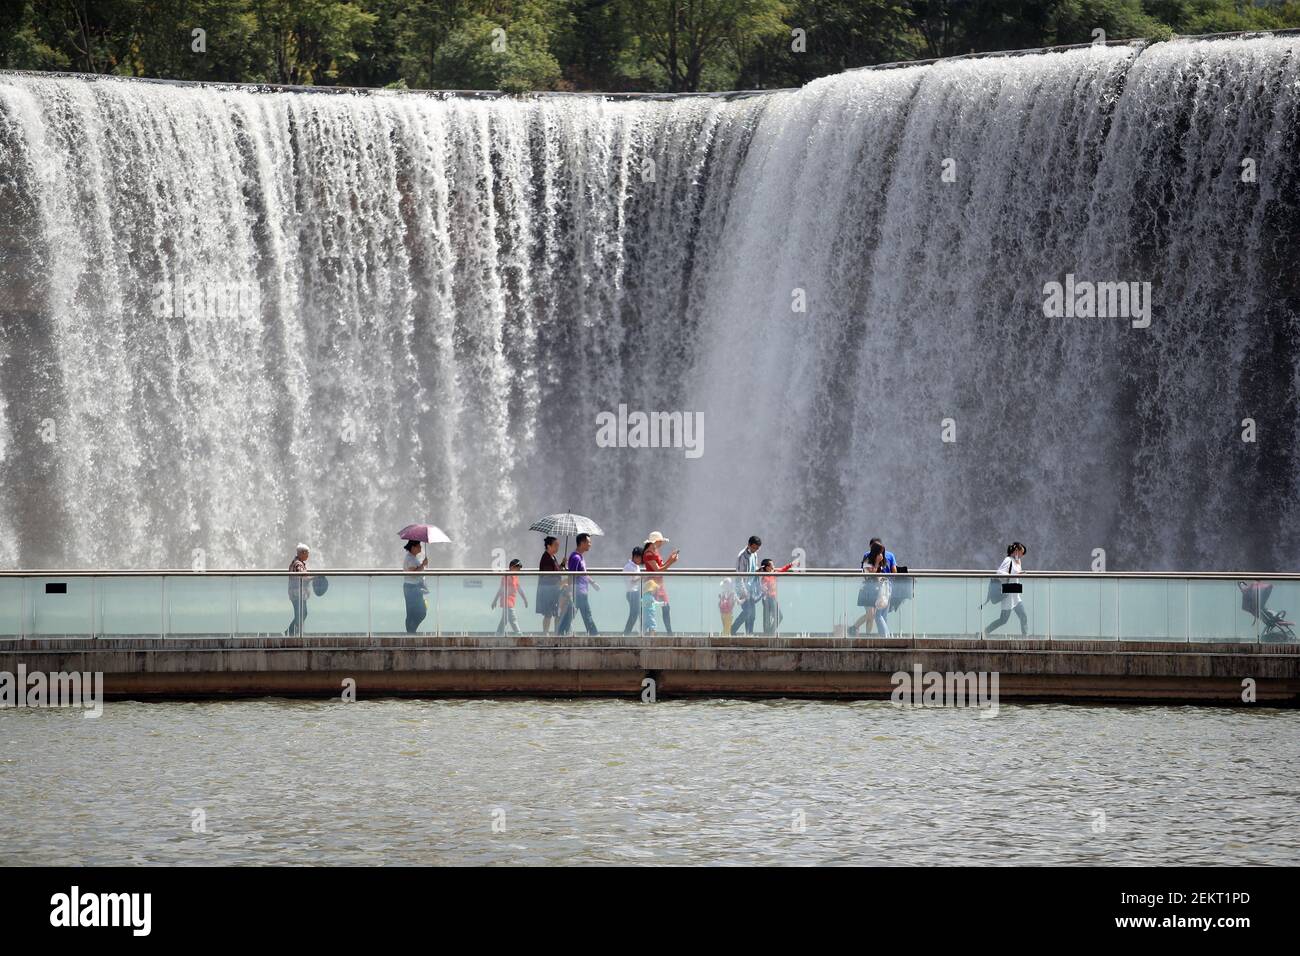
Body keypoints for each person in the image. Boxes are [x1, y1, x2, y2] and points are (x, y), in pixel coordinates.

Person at [559, 533, 600, 635]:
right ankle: (595, 635)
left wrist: (592, 583)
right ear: (582, 543)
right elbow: (572, 575)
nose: (590, 544)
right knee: (587, 615)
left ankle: (560, 633)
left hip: (581, 591)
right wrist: (570, 591)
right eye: (588, 542)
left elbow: (583, 573)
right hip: (578, 592)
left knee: (570, 614)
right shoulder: (575, 558)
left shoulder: (580, 557)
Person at [985, 542, 1028, 637]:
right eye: (1021, 553)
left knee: (1023, 616)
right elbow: (999, 573)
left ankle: (1025, 638)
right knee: (1003, 620)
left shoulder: (1018, 561)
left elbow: (1016, 572)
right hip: (1008, 594)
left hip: (1015, 594)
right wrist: (1014, 575)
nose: (1022, 555)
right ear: (1016, 551)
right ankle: (986, 631)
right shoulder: (1008, 560)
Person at [641, 532, 679, 634]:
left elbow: (662, 567)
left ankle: (668, 632)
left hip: (659, 584)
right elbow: (658, 570)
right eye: (661, 541)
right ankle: (651, 631)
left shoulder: (654, 552)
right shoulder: (648, 554)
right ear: (656, 541)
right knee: (651, 610)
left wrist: (670, 559)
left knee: (665, 607)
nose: (662, 543)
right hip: (652, 585)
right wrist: (671, 561)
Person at [850, 541, 887, 635]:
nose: (881, 554)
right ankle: (854, 627)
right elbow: (872, 572)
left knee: (872, 616)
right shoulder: (867, 561)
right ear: (875, 551)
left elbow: (879, 575)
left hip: (875, 590)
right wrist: (878, 562)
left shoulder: (877, 562)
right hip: (866, 590)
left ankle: (867, 636)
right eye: (879, 552)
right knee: (870, 614)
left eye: (882, 552)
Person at [730, 535, 762, 635]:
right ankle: (732, 630)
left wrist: (759, 570)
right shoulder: (742, 556)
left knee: (752, 615)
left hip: (751, 588)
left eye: (757, 548)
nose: (756, 550)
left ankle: (749, 633)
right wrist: (744, 592)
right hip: (742, 589)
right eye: (754, 547)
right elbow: (740, 576)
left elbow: (753, 568)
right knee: (748, 611)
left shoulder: (755, 554)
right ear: (748, 545)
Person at [759, 557, 795, 634]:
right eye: (772, 565)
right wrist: (764, 589)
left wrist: (790, 565)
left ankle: (770, 632)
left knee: (779, 616)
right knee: (767, 618)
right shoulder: (764, 577)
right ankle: (767, 634)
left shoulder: (774, 573)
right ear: (768, 567)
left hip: (773, 599)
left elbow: (782, 570)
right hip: (767, 599)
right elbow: (763, 587)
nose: (774, 566)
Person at [492, 559, 528, 634]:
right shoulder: (506, 577)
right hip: (507, 602)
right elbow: (501, 589)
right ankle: (519, 634)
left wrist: (525, 599)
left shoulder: (515, 577)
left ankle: (498, 634)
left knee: (504, 620)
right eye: (517, 568)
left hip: (511, 601)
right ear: (511, 567)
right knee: (513, 619)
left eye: (519, 569)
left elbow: (519, 588)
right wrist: (495, 601)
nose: (518, 570)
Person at [536, 536, 563, 634]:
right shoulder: (546, 557)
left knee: (555, 613)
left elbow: (555, 570)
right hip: (547, 590)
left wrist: (562, 565)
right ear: (548, 546)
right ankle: (545, 634)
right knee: (548, 614)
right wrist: (562, 582)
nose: (557, 547)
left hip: (554, 590)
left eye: (558, 545)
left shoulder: (553, 557)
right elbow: (548, 576)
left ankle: (556, 633)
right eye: (555, 545)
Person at [403, 539, 429, 634]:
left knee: (413, 613)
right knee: (420, 612)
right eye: (419, 546)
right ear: (413, 547)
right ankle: (411, 632)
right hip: (412, 588)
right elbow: (413, 574)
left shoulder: (412, 557)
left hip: (413, 587)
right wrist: (423, 564)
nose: (421, 547)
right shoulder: (410, 559)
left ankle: (411, 632)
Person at [287, 543, 312, 636]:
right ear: (302, 553)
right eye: (307, 553)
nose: (308, 556)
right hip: (298, 594)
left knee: (300, 614)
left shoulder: (295, 562)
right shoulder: (299, 564)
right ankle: (291, 632)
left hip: (295, 593)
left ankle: (293, 632)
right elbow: (303, 577)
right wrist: (314, 578)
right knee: (302, 614)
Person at [623, 546, 644, 635]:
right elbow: (632, 580)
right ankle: (626, 633)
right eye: (640, 558)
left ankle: (640, 632)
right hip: (632, 593)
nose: (641, 560)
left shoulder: (636, 566)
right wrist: (642, 576)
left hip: (636, 592)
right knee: (634, 614)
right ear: (636, 557)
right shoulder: (629, 567)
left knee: (639, 613)